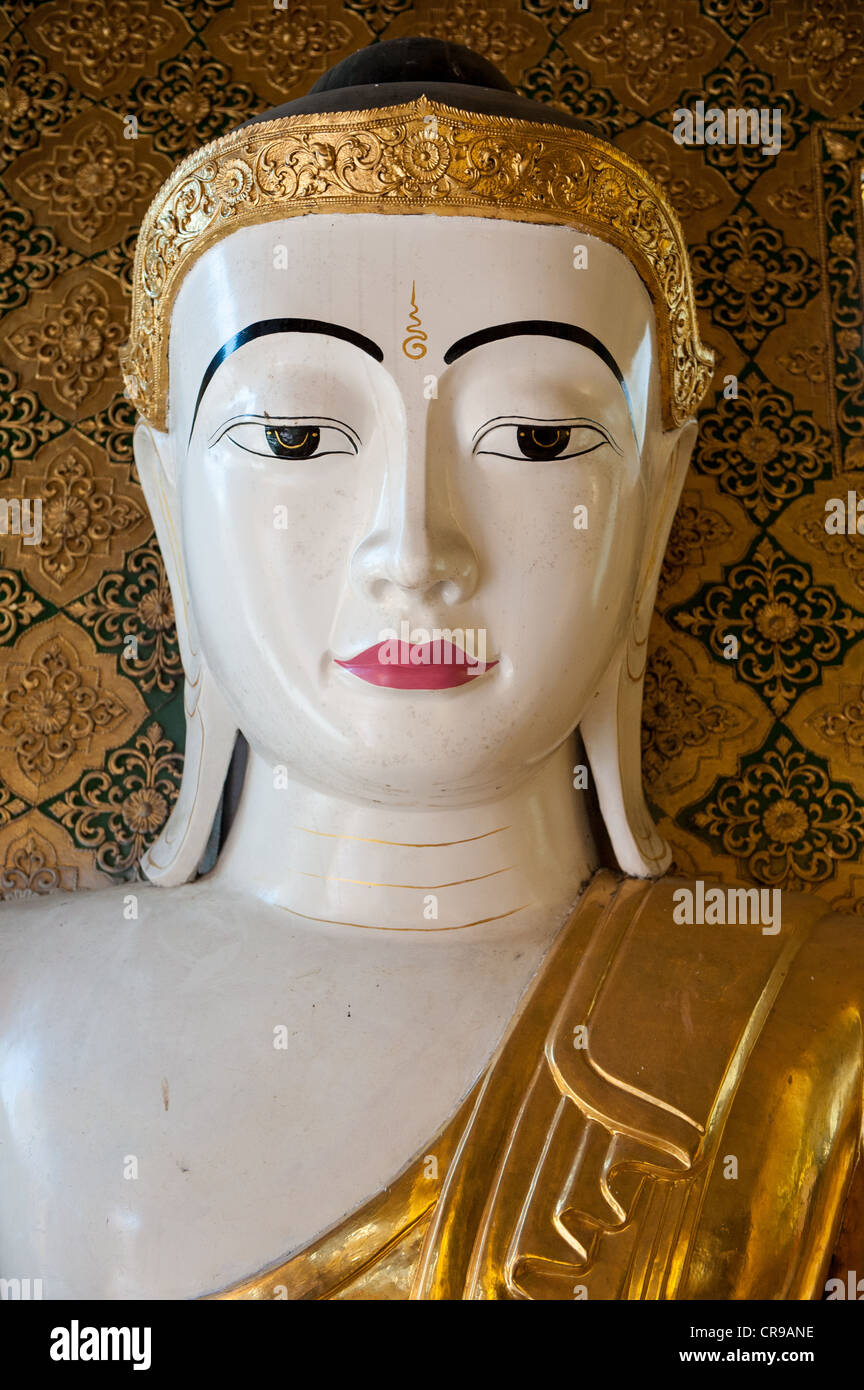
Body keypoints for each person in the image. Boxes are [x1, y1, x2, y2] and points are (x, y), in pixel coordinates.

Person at [1, 38, 861, 1301]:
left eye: (536, 434)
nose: (417, 548)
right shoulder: (21, 1018)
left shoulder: (815, 1036)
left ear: (652, 508)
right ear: (172, 504)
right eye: (294, 434)